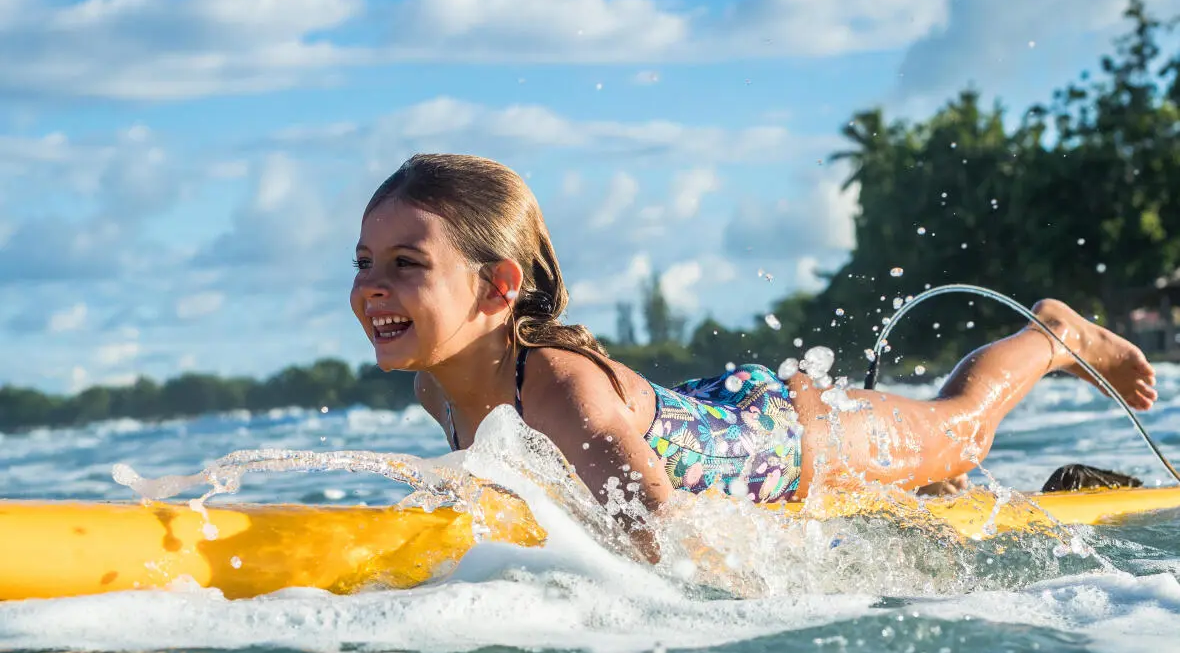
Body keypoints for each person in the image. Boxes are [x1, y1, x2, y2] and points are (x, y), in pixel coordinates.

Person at [350, 153, 1157, 545]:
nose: (373, 287)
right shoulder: (439, 391)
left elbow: (660, 529)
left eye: (405, 264)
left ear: (497, 288)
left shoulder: (557, 383)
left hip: (795, 440)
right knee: (940, 489)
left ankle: (1053, 335)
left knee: (959, 435)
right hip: (717, 417)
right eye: (364, 264)